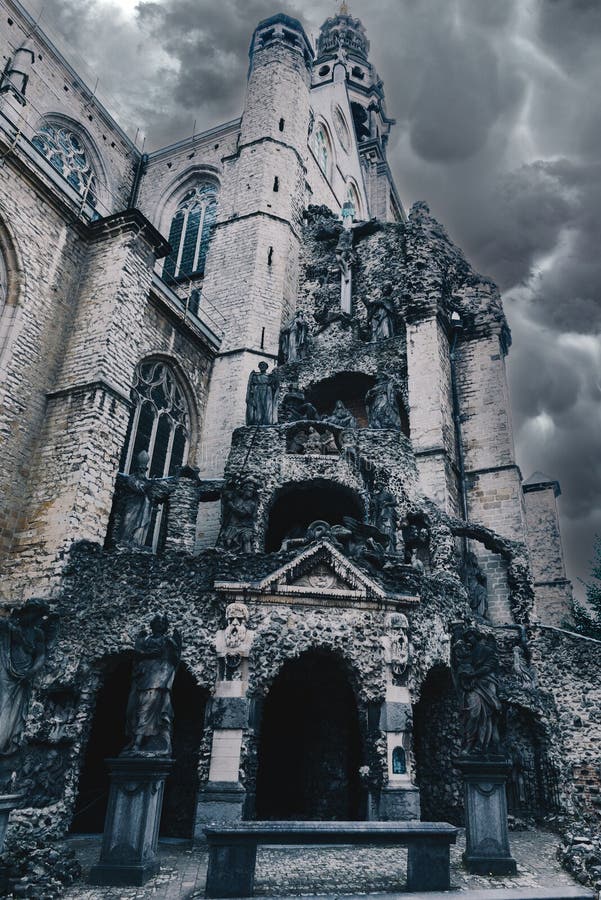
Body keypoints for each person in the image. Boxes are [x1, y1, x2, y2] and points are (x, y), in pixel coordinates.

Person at [0, 600, 56, 756]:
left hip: (23, 676)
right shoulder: (10, 627)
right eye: (31, 613)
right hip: (5, 670)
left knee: (12, 710)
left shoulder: (37, 633)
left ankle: (4, 739)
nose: (33, 617)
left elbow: (41, 656)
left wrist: (31, 672)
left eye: (36, 615)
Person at [124, 614, 181, 756]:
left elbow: (174, 659)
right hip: (142, 677)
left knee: (147, 710)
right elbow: (137, 655)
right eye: (157, 622)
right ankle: (133, 739)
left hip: (158, 679)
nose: (159, 625)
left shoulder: (167, 641)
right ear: (152, 624)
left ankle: (137, 744)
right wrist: (145, 654)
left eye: (162, 623)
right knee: (132, 711)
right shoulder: (145, 640)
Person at [453, 629, 502, 756]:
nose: (468, 639)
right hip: (473, 687)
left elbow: (489, 667)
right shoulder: (467, 652)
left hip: (486, 684)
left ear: (476, 636)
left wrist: (473, 674)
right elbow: (460, 666)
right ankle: (470, 744)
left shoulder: (487, 651)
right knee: (473, 713)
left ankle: (482, 745)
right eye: (466, 637)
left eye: (470, 636)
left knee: (487, 716)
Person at [246, 361, 278, 425]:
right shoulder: (255, 376)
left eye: (264, 366)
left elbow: (274, 385)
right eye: (261, 366)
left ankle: (267, 421)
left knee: (267, 406)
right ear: (259, 367)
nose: (262, 367)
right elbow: (251, 385)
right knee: (258, 406)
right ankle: (258, 421)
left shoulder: (270, 376)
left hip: (267, 391)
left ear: (266, 367)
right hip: (258, 391)